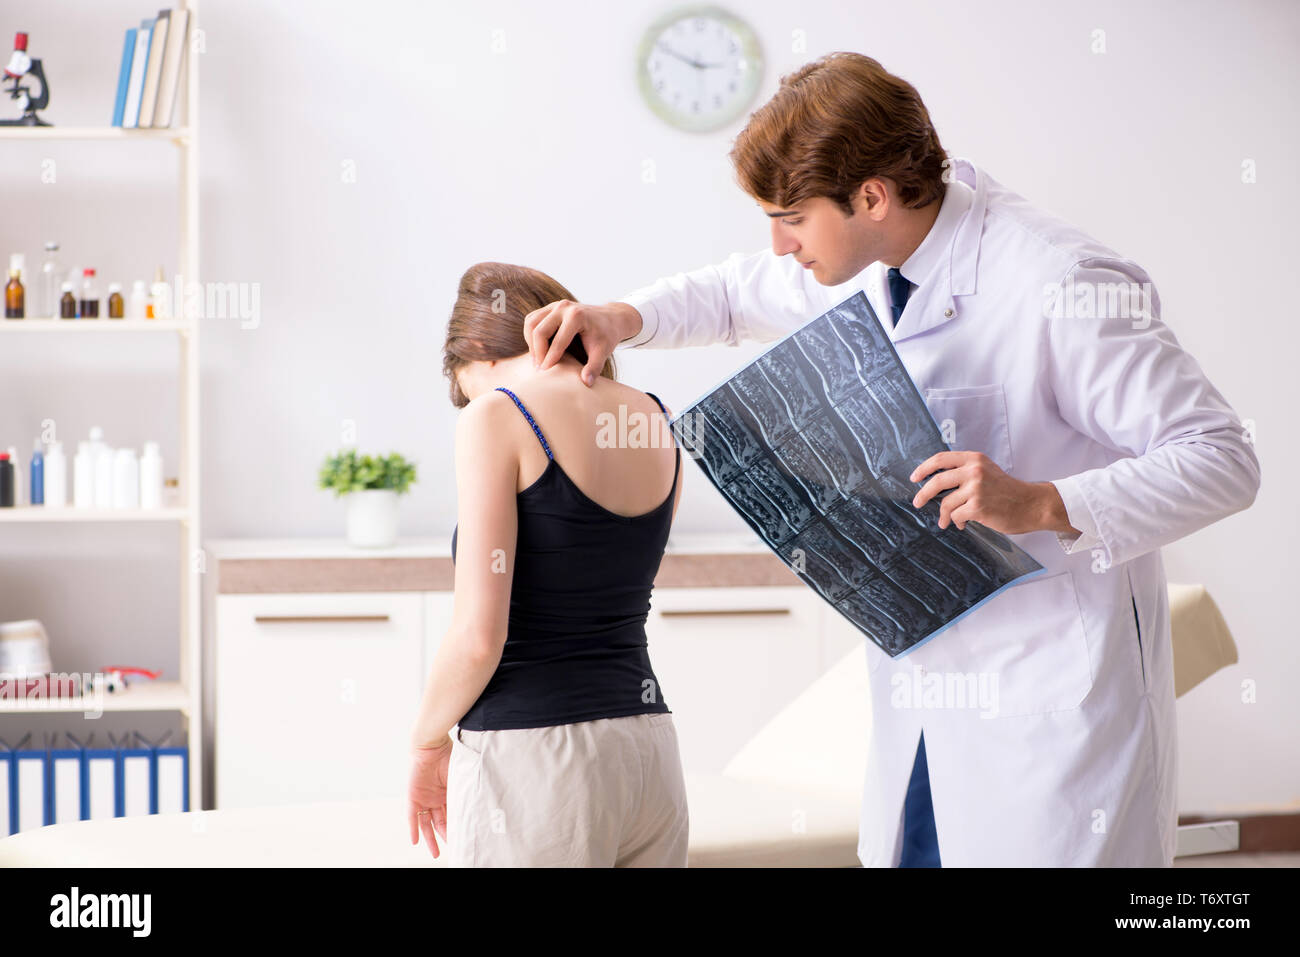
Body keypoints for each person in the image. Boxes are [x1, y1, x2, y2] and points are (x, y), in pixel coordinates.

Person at [521, 52, 1260, 867]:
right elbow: (735, 294)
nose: (778, 244)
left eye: (792, 218)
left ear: (871, 196)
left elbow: (1221, 456)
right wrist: (619, 316)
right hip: (922, 697)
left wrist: (1046, 501)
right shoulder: (871, 264)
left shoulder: (1059, 281)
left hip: (1046, 704)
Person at [406, 261, 688, 867]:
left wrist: (427, 742)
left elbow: (480, 636)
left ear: (477, 352)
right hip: (648, 751)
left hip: (536, 763)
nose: (471, 404)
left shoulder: (497, 414)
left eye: (465, 390)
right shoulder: (653, 416)